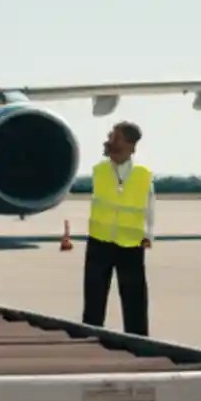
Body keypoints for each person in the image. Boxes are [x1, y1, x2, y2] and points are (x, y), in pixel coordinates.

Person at [82, 120, 155, 337]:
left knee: (134, 300)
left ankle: (139, 341)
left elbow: (150, 206)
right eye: (110, 137)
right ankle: (90, 339)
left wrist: (148, 235)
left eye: (116, 139)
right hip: (99, 242)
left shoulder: (143, 175)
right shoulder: (100, 170)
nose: (110, 142)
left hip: (130, 245)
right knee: (94, 300)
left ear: (131, 146)